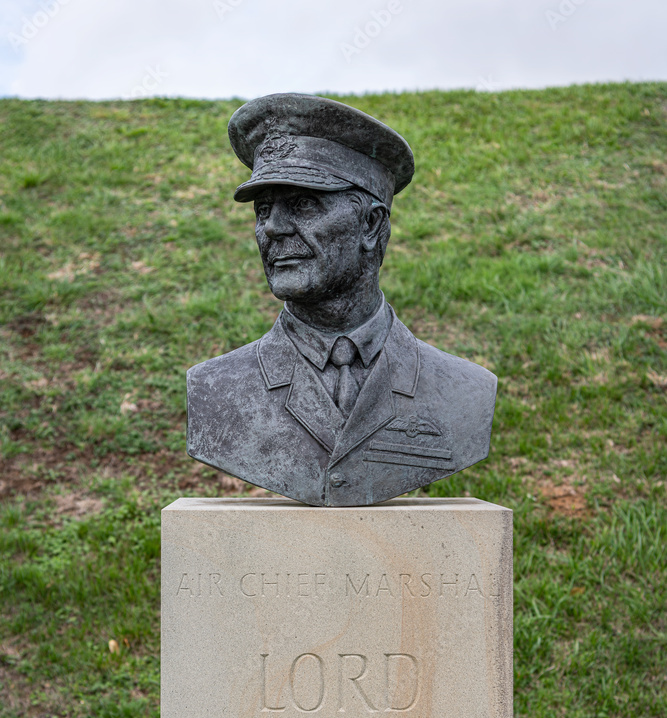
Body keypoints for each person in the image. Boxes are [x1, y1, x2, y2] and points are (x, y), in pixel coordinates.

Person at [186, 93, 497, 507]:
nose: (272, 229)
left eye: (302, 204)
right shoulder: (216, 389)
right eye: (263, 210)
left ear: (371, 224)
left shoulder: (465, 391)